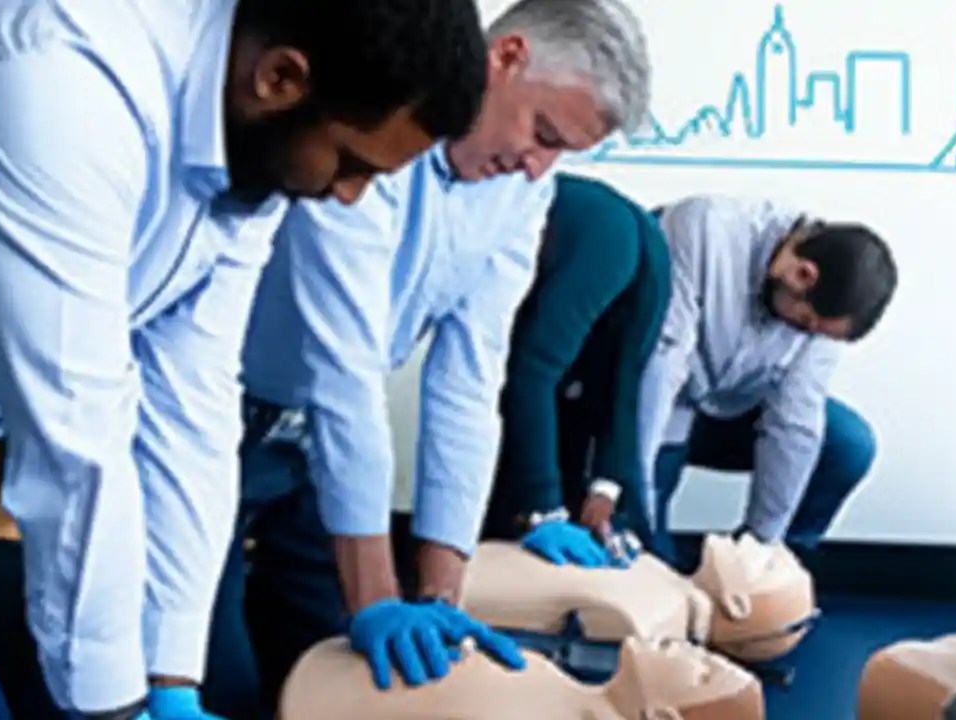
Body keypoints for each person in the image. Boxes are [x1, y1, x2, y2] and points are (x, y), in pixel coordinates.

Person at [0, 0, 487, 717]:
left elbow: (194, 404)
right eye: (349, 163)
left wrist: (171, 677)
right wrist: (111, 708)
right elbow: (76, 439)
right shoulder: (69, 85)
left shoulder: (250, 144)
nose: (347, 196)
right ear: (281, 77)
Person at [203, 0, 652, 715]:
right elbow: (344, 373)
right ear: (505, 58)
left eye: (560, 152)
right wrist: (379, 595)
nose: (539, 168)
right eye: (542, 133)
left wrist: (442, 594)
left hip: (318, 450)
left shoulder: (520, 193)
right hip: (222, 415)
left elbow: (470, 380)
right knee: (213, 670)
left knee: (336, 673)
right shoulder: (372, 118)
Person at [636, 196, 897, 572]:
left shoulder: (827, 305)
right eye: (805, 323)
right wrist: (630, 485)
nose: (805, 334)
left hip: (733, 408)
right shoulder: (705, 228)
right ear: (801, 275)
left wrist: (760, 545)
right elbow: (662, 365)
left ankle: (777, 572)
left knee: (848, 445)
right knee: (648, 553)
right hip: (654, 403)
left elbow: (796, 420)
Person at [483, 173, 670, 567]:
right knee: (511, 436)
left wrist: (607, 488)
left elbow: (624, 388)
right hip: (565, 258)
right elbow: (530, 370)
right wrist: (544, 506)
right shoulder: (606, 250)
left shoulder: (643, 273)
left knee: (569, 445)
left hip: (600, 262)